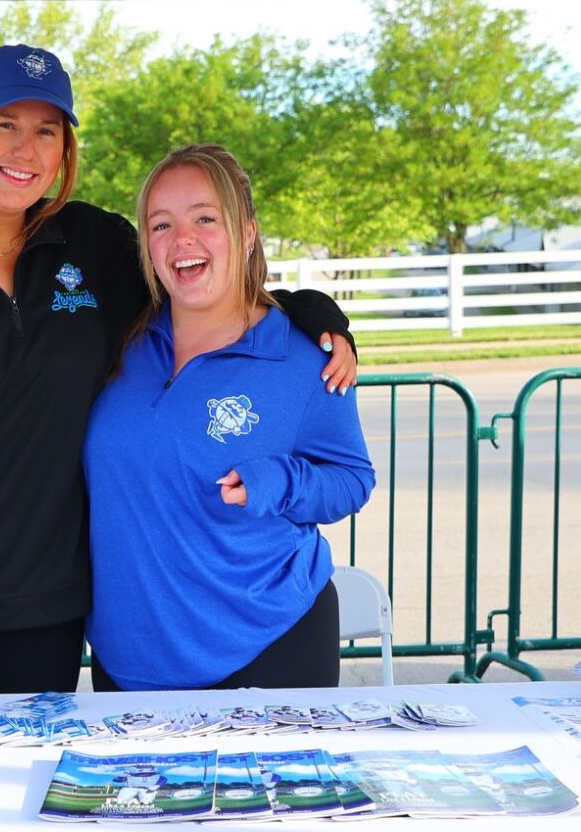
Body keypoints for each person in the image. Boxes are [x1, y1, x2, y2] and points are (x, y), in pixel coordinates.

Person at [0, 46, 358, 700]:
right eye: (5, 123)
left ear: (64, 148)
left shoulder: (96, 247)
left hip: (46, 609)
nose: (25, 148)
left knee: (25, 790)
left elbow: (199, 283)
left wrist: (310, 311)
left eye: (46, 130)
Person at [82, 144, 376, 692]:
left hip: (268, 648)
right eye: (161, 225)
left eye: (205, 219)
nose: (182, 240)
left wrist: (279, 480)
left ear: (247, 234)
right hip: (126, 664)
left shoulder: (307, 356)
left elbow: (351, 480)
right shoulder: (117, 339)